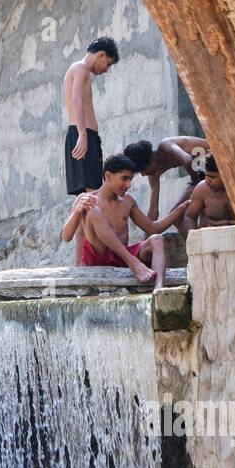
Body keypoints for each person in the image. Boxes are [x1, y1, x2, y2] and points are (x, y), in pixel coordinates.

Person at [61, 154, 188, 288]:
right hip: (99, 257)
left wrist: (179, 210)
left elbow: (152, 228)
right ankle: (134, 263)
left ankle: (159, 289)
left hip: (122, 258)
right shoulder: (86, 199)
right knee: (93, 209)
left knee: (157, 239)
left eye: (130, 179)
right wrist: (77, 211)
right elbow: (66, 236)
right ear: (108, 176)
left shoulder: (128, 201)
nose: (128, 185)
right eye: (124, 179)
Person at [63, 36, 120, 262]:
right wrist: (84, 135)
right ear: (101, 55)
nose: (105, 70)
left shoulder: (80, 70)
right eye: (107, 64)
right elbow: (77, 100)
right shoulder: (80, 68)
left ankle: (81, 262)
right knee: (90, 200)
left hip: (83, 136)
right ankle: (84, 262)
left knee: (85, 201)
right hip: (82, 136)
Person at [122, 135, 210, 238]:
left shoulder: (166, 145)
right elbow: (153, 211)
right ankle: (196, 247)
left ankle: (201, 246)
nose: (143, 174)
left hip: (212, 158)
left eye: (143, 170)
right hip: (199, 173)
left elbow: (188, 160)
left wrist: (197, 185)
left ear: (151, 159)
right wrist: (145, 241)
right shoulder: (153, 175)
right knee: (176, 216)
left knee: (204, 208)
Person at [186, 156, 235, 229]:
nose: (207, 181)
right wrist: (196, 237)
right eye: (206, 175)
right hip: (212, 237)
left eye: (212, 177)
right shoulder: (201, 189)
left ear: (227, 175)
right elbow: (190, 217)